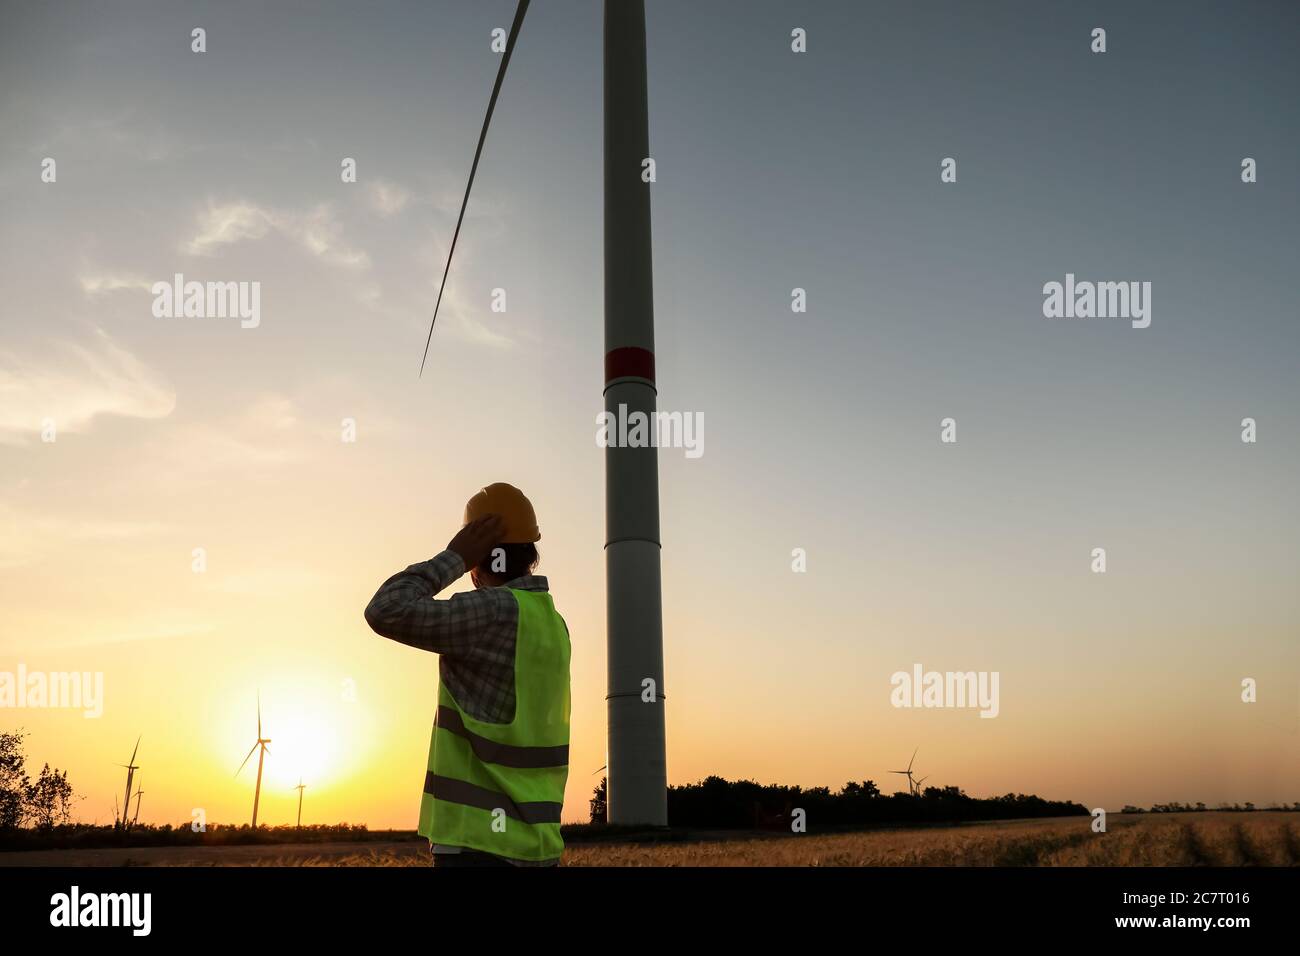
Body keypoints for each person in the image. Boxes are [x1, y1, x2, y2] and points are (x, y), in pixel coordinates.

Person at [364, 482, 570, 867]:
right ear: (530, 552)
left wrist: (453, 557)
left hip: (478, 848)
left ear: (480, 558)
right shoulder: (555, 625)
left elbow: (385, 609)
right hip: (539, 846)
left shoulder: (492, 612)